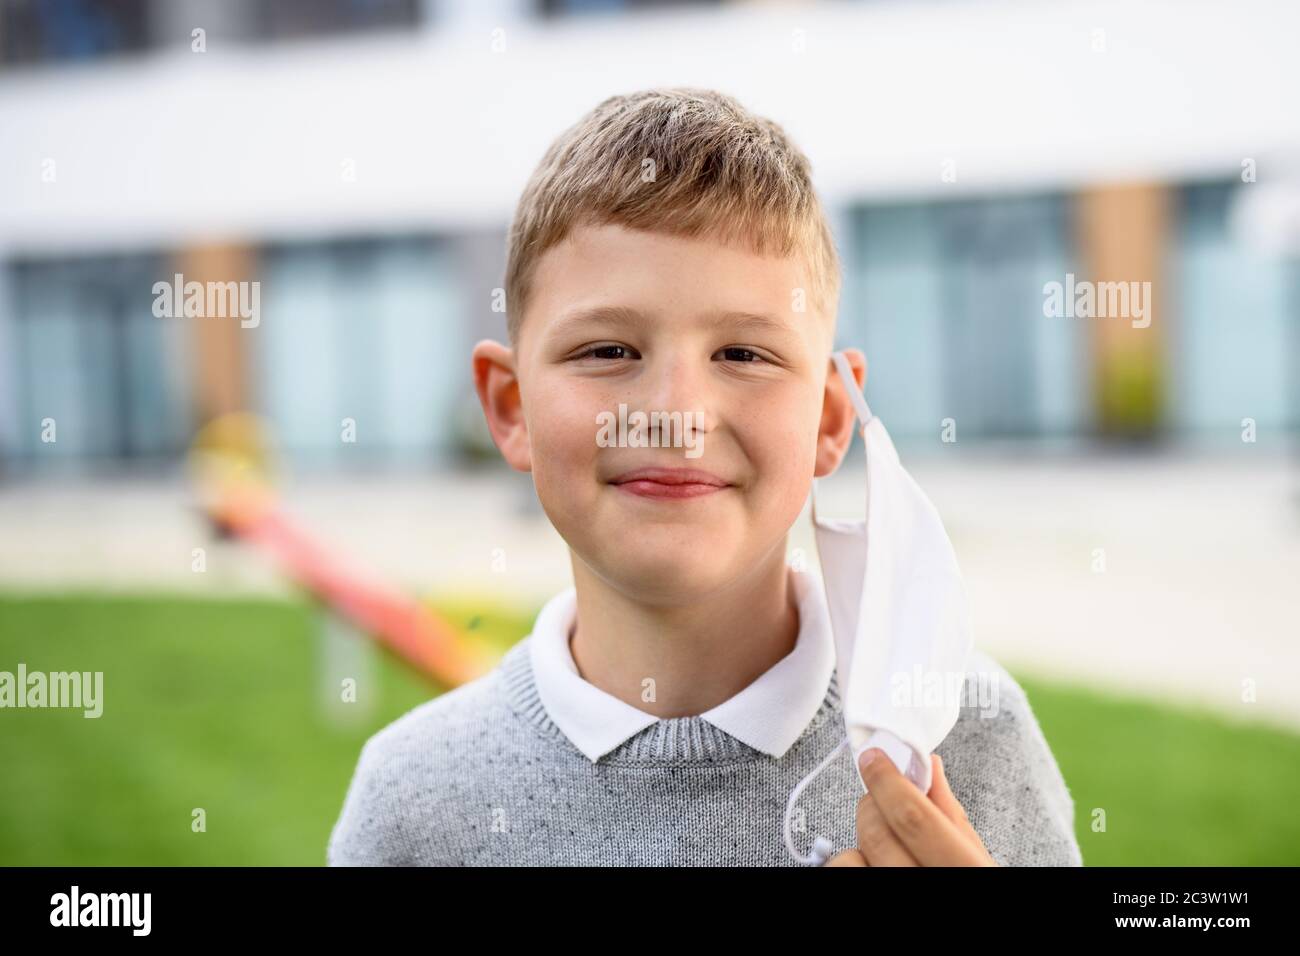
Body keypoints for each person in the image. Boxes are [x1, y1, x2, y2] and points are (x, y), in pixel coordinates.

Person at [327, 87, 1082, 866]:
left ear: (829, 419)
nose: (676, 415)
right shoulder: (413, 802)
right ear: (511, 407)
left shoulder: (970, 736)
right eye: (608, 351)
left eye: (744, 355)